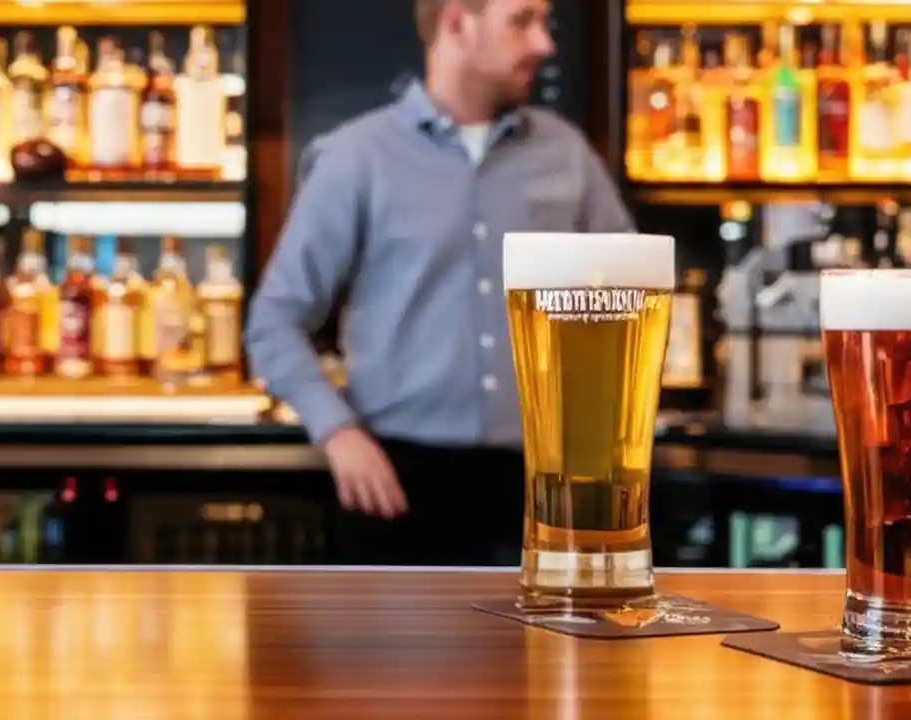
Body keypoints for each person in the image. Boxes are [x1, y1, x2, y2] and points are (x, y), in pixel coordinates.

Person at [244, 0, 637, 566]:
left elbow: (630, 290)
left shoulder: (567, 155)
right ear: (458, 23)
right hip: (395, 486)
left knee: (549, 657)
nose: (545, 45)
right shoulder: (357, 157)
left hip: (548, 487)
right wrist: (338, 434)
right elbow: (274, 321)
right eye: (522, 21)